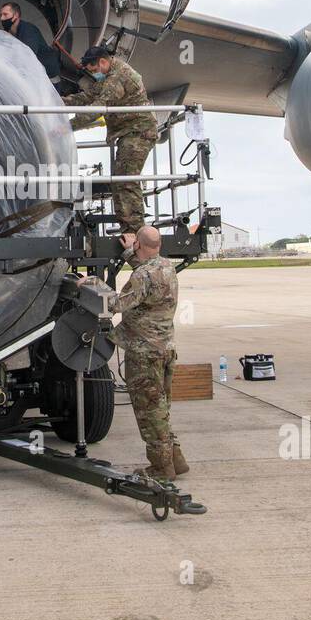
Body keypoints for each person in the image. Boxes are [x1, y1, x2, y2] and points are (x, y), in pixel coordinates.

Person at [84, 226, 187, 481]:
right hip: (165, 350)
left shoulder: (142, 276)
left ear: (140, 245)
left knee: (149, 413)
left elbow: (117, 304)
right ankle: (176, 458)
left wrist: (92, 282)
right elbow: (146, 273)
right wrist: (132, 250)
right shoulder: (166, 267)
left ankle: (161, 469)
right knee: (160, 408)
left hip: (144, 354)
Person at [62, 45, 157, 232]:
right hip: (129, 134)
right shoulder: (108, 76)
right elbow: (89, 96)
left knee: (127, 181)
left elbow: (97, 107)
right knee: (120, 181)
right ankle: (129, 228)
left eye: (94, 70)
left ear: (103, 62)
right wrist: (59, 102)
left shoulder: (117, 78)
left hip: (138, 133)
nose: (94, 74)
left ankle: (136, 230)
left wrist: (66, 127)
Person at [0, 2, 62, 85]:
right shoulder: (11, 32)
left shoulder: (28, 31)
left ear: (16, 15)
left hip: (48, 80)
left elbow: (27, 56)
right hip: (37, 76)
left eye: (5, 14)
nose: (2, 18)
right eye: (1, 15)